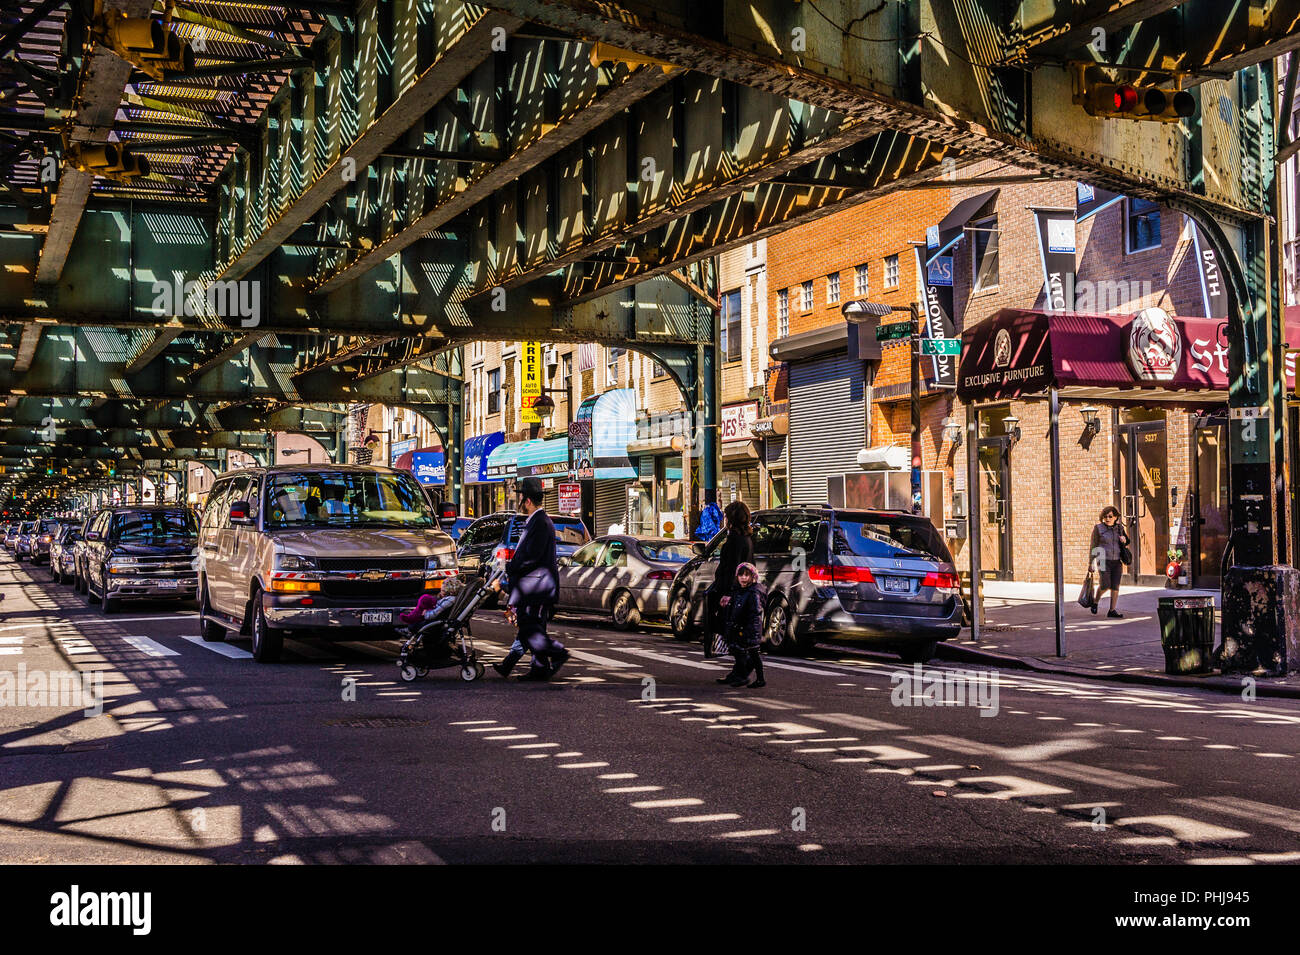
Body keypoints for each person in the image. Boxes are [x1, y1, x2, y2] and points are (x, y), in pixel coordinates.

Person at [490, 477, 569, 680]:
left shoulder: (540, 522)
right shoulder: (537, 521)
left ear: (527, 501)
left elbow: (532, 556)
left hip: (537, 586)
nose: (521, 503)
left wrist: (512, 567)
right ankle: (539, 668)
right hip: (535, 585)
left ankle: (558, 653)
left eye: (521, 498)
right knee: (532, 628)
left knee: (529, 627)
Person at [704, 500, 754, 658]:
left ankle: (740, 670)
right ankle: (739, 670)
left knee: (729, 628)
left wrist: (728, 593)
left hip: (730, 590)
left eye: (725, 516)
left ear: (731, 519)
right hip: (740, 590)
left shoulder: (734, 540)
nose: (723, 519)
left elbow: (732, 568)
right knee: (736, 630)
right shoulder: (746, 539)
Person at [716, 562, 766, 688]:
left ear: (753, 577)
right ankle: (743, 676)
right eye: (741, 575)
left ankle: (748, 677)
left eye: (747, 575)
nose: (743, 578)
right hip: (741, 627)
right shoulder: (739, 590)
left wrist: (746, 627)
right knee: (741, 652)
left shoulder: (753, 592)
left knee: (751, 654)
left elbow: (755, 612)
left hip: (749, 629)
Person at [1089, 505, 1129, 618]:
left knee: (1115, 586)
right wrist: (1090, 562)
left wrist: (1124, 540)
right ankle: (1095, 602)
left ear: (1116, 517)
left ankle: (1112, 610)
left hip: (1116, 560)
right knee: (1105, 585)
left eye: (1110, 516)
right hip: (1102, 559)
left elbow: (1126, 541)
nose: (1107, 518)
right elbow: (1093, 546)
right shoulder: (1098, 528)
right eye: (1105, 516)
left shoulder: (1119, 528)